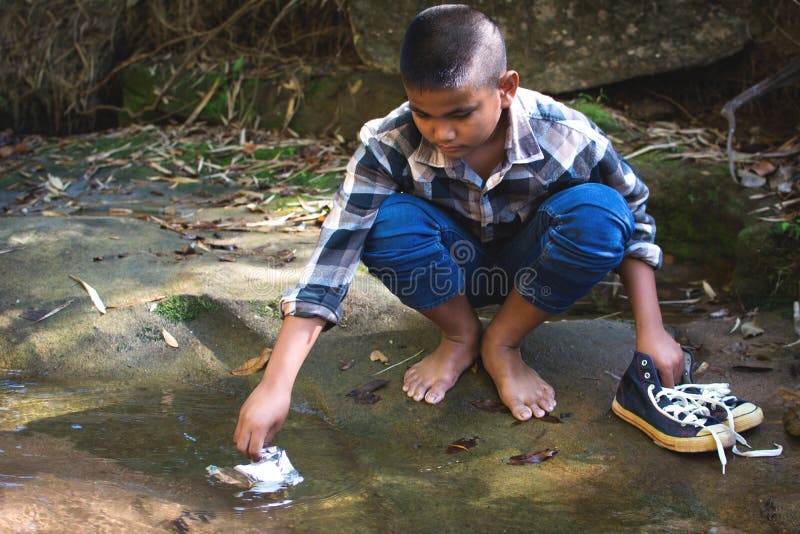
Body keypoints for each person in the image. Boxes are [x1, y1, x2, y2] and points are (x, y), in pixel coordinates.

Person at [234, 4, 761, 464]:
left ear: (505, 88)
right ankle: (462, 336)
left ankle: (504, 343)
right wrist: (275, 386)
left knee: (601, 212)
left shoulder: (565, 133)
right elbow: (336, 252)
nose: (441, 133)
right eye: (423, 113)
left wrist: (651, 333)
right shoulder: (388, 143)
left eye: (461, 114)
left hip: (533, 277)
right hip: (450, 275)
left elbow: (636, 215)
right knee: (385, 221)